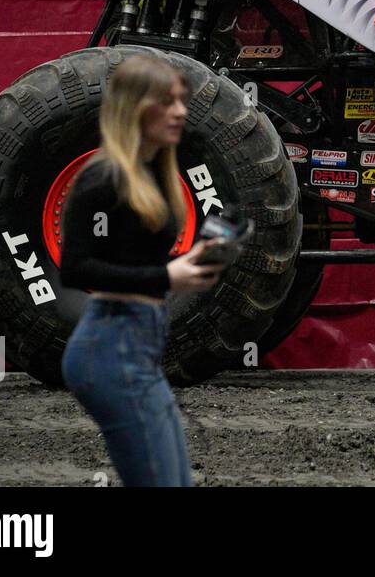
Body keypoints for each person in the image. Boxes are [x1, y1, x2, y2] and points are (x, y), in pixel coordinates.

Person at [59, 54, 226, 486]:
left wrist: (184, 263)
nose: (180, 112)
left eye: (180, 101)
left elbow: (133, 260)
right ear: (133, 108)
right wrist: (168, 278)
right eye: (166, 102)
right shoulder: (101, 178)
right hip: (108, 350)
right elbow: (76, 269)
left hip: (139, 349)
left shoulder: (153, 173)